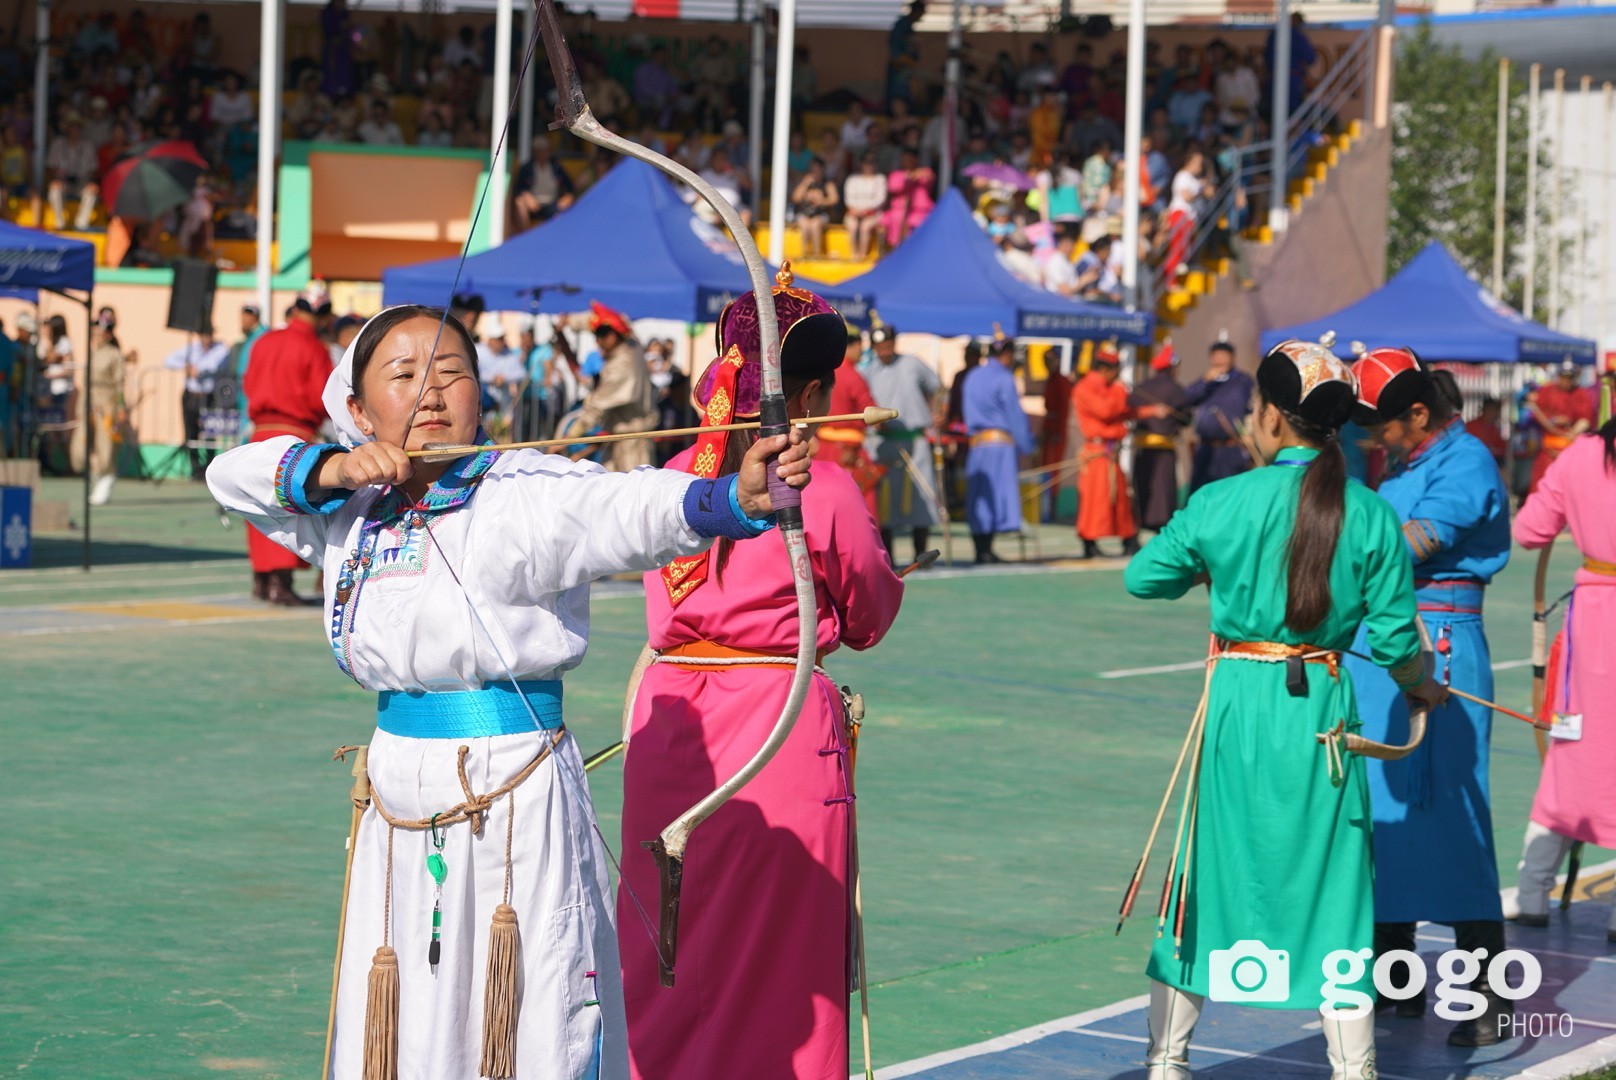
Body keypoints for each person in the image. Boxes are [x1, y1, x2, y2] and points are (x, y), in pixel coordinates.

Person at [206, 303, 811, 1080]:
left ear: (481, 396)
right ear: (358, 411)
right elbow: (231, 476)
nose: (430, 392)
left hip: (514, 788)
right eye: (402, 376)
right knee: (405, 1013)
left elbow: (627, 508)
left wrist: (733, 499)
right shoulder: (348, 511)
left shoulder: (527, 487)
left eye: (452, 373)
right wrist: (330, 468)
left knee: (527, 1008)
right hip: (396, 788)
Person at [1126, 338, 1444, 1080]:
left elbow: (1145, 579)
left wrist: (1214, 561)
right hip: (1322, 717)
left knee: (1205, 873)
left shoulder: (1222, 500)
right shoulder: (1368, 515)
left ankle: (1167, 1063)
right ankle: (1354, 1068)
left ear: (1270, 416)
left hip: (1239, 706)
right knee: (1335, 884)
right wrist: (1422, 685)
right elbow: (1400, 644)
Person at [621, 276, 901, 1080]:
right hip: (778, 732)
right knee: (786, 966)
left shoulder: (675, 475)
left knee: (670, 945)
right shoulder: (826, 484)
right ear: (806, 392)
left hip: (670, 722)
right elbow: (871, 614)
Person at [1342, 347, 1514, 1046]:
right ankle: (1395, 980)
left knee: (1451, 816)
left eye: (1379, 424)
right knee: (1384, 812)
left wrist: (1333, 545)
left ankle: (1488, 991)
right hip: (1387, 645)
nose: (1370, 437)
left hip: (1440, 646)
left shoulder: (1466, 461)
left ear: (1418, 413)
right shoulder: (1405, 464)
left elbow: (1411, 543)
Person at [1511, 411, 1616, 945]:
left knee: (1570, 757)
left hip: (1592, 625)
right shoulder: (1583, 454)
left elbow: (1528, 530)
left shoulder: (1578, 456)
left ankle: (1533, 892)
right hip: (1595, 618)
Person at [242, 298, 334, 605]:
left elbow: (248, 382)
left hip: (260, 432)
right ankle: (280, 582)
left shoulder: (265, 341)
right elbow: (322, 396)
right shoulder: (314, 348)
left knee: (257, 501)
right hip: (294, 434)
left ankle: (261, 578)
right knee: (289, 505)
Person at [862, 321, 941, 561]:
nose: (884, 351)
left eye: (887, 345)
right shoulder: (868, 371)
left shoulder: (913, 364)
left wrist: (937, 413)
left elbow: (936, 388)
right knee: (885, 502)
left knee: (922, 498)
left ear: (894, 343)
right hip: (882, 443)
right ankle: (889, 557)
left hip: (914, 442)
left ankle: (921, 555)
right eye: (879, 347)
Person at [1072, 345, 1155, 558]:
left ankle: (1128, 538)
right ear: (1105, 369)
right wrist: (1120, 391)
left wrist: (1149, 411)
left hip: (1110, 453)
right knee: (1095, 500)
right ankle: (1089, 541)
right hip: (1096, 452)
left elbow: (1123, 412)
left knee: (1120, 501)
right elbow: (1106, 410)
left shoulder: (1109, 389)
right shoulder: (1086, 388)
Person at [963, 334, 1033, 563]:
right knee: (997, 496)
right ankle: (987, 547)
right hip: (1000, 445)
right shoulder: (1004, 378)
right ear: (1007, 354)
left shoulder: (973, 376)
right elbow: (1015, 416)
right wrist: (1027, 445)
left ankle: (980, 547)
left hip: (977, 445)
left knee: (979, 496)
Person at [576, 301, 658, 472]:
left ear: (613, 336)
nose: (597, 341)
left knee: (633, 493)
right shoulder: (631, 346)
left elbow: (597, 405)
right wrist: (569, 322)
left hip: (632, 444)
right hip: (620, 439)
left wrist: (568, 436)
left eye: (601, 335)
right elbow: (612, 320)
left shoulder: (623, 364)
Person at [813, 323, 882, 519]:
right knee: (860, 509)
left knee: (822, 507)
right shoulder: (853, 376)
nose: (862, 350)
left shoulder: (822, 373)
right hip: (849, 452)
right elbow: (872, 416)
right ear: (849, 346)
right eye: (860, 344)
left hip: (822, 450)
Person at [71, 312, 132, 506]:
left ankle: (106, 482)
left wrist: (121, 408)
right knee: (80, 449)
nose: (97, 333)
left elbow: (120, 385)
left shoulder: (115, 355)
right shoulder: (93, 352)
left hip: (107, 406)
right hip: (89, 403)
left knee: (106, 449)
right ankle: (99, 477)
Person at [1131, 343, 1189, 532]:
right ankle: (1161, 522)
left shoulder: (1141, 387)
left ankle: (1143, 518)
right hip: (1164, 449)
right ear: (1171, 367)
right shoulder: (1175, 389)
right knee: (1163, 489)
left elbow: (1128, 409)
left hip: (1142, 448)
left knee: (1144, 484)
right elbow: (1186, 418)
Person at [1184, 339, 1254, 491]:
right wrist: (1204, 381)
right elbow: (1186, 399)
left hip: (1230, 447)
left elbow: (1252, 407)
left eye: (1224, 356)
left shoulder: (1242, 381)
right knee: (1200, 491)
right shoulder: (1205, 381)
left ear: (1232, 358)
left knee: (1230, 491)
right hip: (1206, 448)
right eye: (1217, 356)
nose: (1220, 360)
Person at [164, 331, 232, 481]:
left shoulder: (220, 349)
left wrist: (200, 369)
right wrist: (186, 366)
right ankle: (195, 469)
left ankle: (209, 467)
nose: (206, 339)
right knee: (191, 432)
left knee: (210, 433)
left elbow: (218, 365)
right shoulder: (192, 348)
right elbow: (168, 360)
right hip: (191, 395)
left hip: (209, 396)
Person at [1526, 360, 1596, 493]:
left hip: (1571, 448)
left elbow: (1585, 418)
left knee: (1570, 488)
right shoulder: (1547, 390)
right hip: (1548, 449)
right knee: (1543, 486)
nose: (1566, 381)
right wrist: (1553, 421)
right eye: (1563, 377)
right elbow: (1538, 414)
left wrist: (1573, 432)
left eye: (1570, 377)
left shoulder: (1581, 393)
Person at [512, 137, 575, 230]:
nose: (543, 153)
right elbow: (519, 188)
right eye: (540, 150)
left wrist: (567, 197)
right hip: (534, 205)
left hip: (553, 204)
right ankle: (524, 236)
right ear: (535, 152)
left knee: (566, 205)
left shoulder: (556, 167)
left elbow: (569, 186)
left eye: (545, 150)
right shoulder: (527, 168)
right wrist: (526, 195)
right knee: (519, 202)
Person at [882, 146, 935, 248]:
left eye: (910, 158)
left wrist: (915, 175)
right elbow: (894, 187)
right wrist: (907, 177)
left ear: (916, 159)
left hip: (921, 212)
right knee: (894, 220)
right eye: (905, 158)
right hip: (899, 212)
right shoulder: (895, 174)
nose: (907, 161)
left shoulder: (925, 171)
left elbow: (928, 178)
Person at [790, 156, 838, 258]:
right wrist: (805, 184)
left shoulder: (827, 183)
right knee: (804, 223)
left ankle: (816, 254)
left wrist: (821, 201)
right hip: (804, 214)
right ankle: (804, 253)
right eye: (813, 170)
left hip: (821, 215)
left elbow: (834, 199)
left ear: (823, 170)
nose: (815, 173)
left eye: (817, 170)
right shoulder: (804, 182)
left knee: (815, 224)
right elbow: (795, 198)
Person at [843, 152, 887, 261]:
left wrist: (865, 210)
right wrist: (858, 210)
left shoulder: (880, 179)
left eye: (872, 163)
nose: (869, 166)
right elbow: (848, 199)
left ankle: (863, 256)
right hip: (854, 212)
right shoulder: (852, 179)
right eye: (866, 163)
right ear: (861, 164)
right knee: (852, 225)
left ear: (875, 165)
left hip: (874, 214)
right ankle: (854, 254)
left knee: (865, 226)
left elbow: (880, 199)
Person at [229, 305, 266, 420]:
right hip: (245, 391)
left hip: (255, 392)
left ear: (252, 317)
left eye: (244, 318)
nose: (242, 321)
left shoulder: (263, 336)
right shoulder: (250, 337)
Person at [1465, 396, 1507, 470]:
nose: (1498, 414)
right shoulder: (1471, 426)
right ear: (1486, 410)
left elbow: (1502, 446)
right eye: (1495, 410)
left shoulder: (1494, 428)